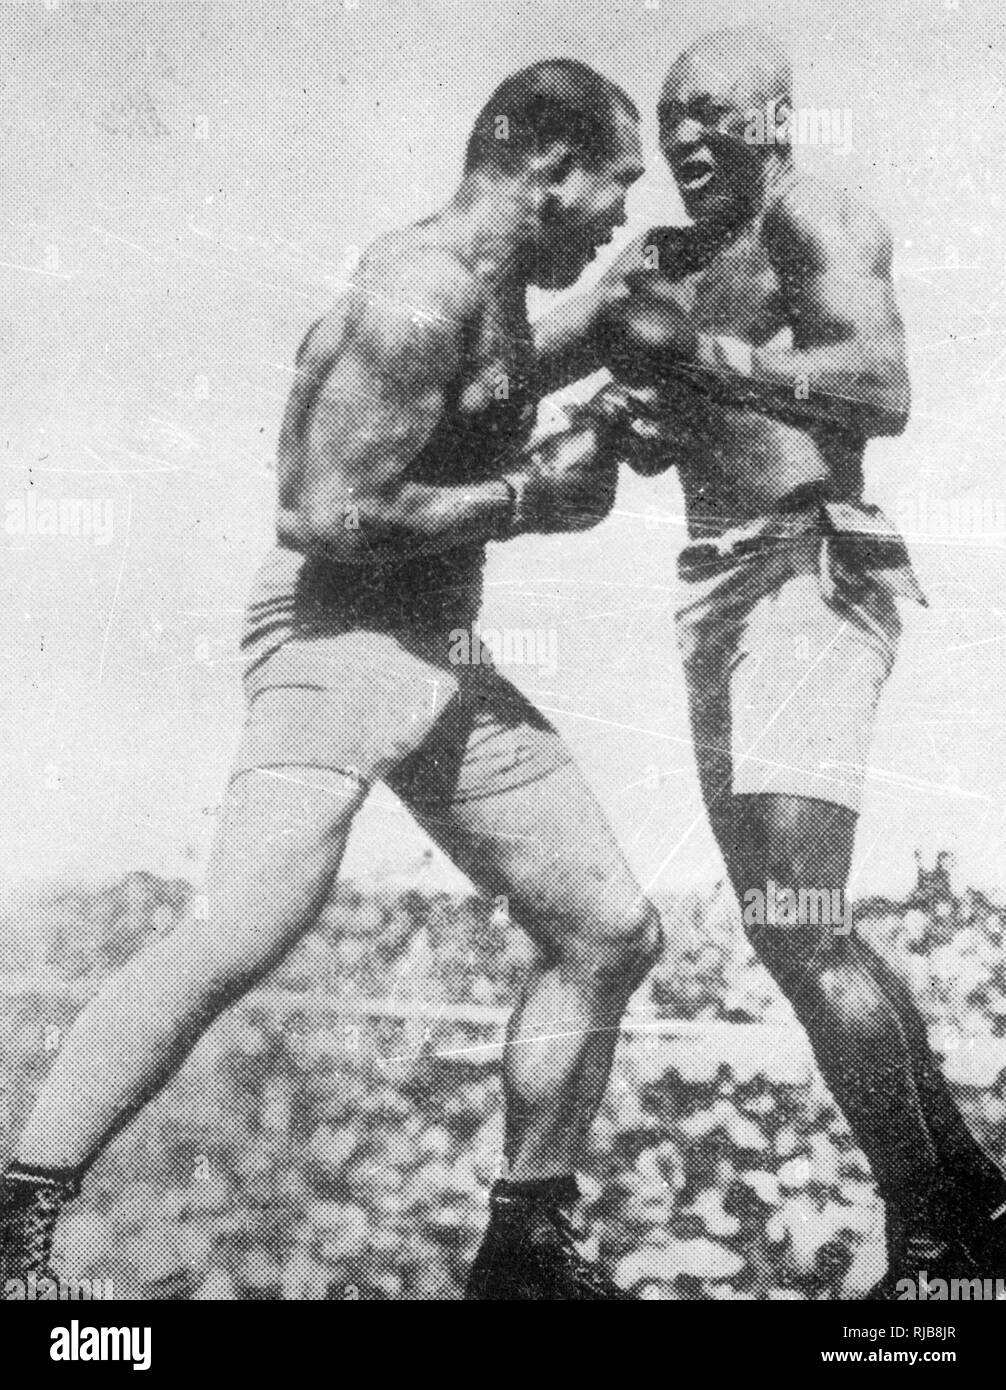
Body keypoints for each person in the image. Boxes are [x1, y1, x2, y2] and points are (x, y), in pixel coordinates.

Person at [0, 60, 662, 1302]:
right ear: (547, 168)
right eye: (614, 193)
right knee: (241, 930)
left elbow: (505, 378)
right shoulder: (414, 294)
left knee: (608, 930)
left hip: (436, 654)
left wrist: (640, 313)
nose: (618, 219)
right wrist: (528, 500)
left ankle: (522, 1247)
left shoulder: (496, 286)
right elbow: (321, 510)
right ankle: (16, 1215)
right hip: (337, 639)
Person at [536, 29, 1006, 1295]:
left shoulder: (813, 212)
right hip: (710, 589)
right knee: (786, 926)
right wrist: (614, 416)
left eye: (711, 115)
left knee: (801, 922)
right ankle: (963, 1195)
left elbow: (879, 382)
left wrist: (701, 362)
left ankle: (934, 1231)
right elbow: (550, 354)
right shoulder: (664, 258)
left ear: (776, 121)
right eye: (669, 119)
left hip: (808, 565)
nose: (686, 139)